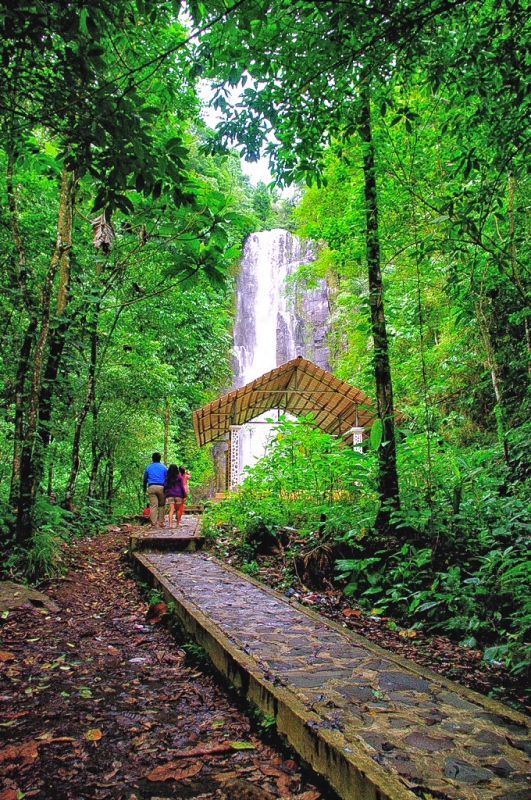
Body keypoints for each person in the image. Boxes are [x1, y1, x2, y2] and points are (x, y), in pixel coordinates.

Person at [143, 452, 168, 528]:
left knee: (153, 506)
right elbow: (167, 478)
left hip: (151, 487)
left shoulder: (149, 467)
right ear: (160, 459)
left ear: (152, 458)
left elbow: (145, 478)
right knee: (161, 505)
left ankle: (153, 524)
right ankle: (161, 522)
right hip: (161, 487)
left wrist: (144, 486)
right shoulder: (164, 467)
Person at [164, 464, 185, 528]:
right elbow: (182, 487)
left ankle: (170, 525)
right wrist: (184, 495)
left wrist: (165, 492)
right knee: (178, 510)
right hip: (178, 495)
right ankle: (177, 524)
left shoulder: (167, 477)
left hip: (170, 494)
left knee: (171, 510)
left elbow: (165, 486)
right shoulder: (179, 477)